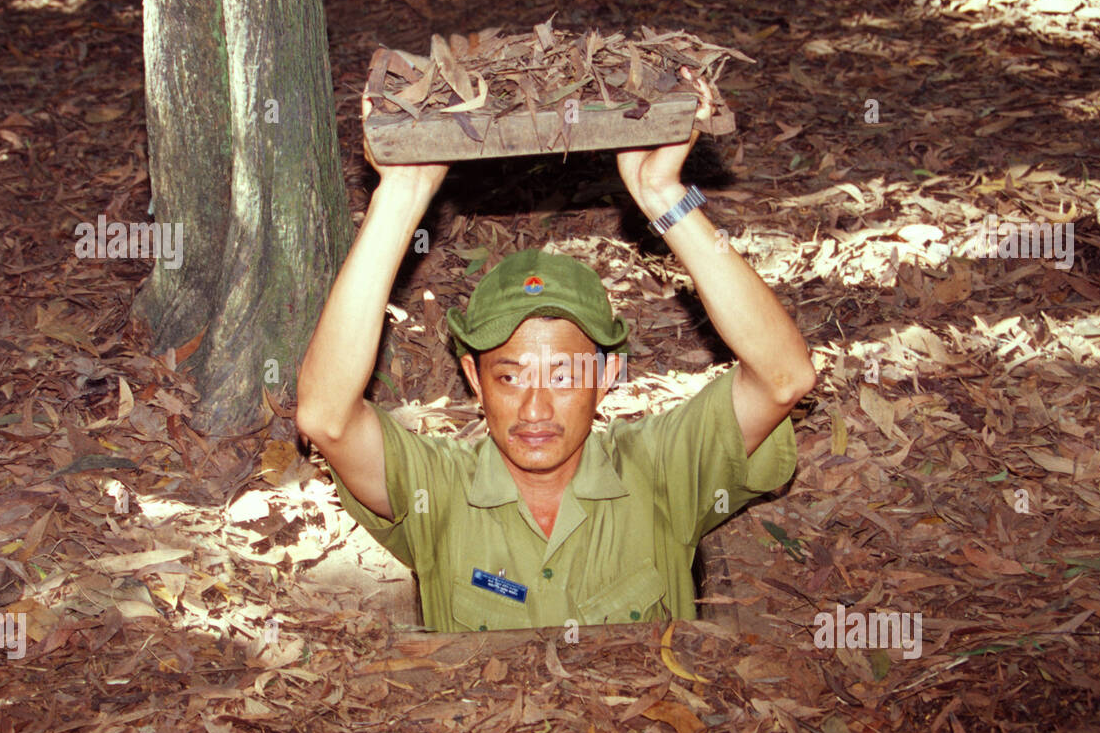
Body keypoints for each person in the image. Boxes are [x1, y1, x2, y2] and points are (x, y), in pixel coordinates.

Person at [296, 73, 816, 632]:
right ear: (473, 378)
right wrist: (399, 199)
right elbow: (325, 417)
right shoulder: (438, 491)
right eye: (511, 377)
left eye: (564, 375)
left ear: (607, 373)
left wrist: (662, 195)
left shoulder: (662, 470)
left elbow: (783, 377)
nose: (536, 410)